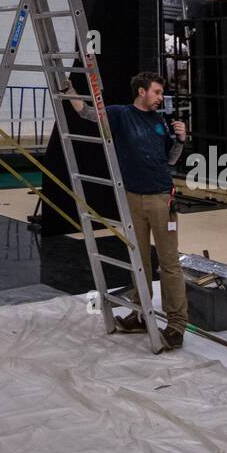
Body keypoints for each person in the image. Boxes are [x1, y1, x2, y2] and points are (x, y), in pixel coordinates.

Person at [67, 69, 188, 350]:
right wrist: (71, 93)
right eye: (156, 92)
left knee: (169, 264)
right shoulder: (121, 115)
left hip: (161, 198)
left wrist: (181, 141)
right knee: (139, 261)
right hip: (133, 198)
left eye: (161, 93)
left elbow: (170, 160)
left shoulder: (160, 122)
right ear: (141, 91)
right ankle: (141, 313)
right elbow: (86, 113)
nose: (161, 98)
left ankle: (177, 325)